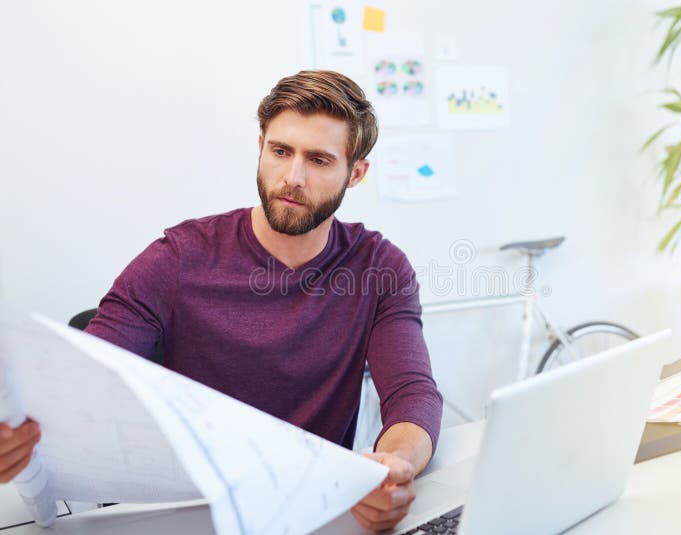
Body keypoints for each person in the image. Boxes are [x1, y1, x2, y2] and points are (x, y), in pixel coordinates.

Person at [0, 70, 443, 532]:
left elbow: (412, 393)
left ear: (356, 173)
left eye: (318, 160)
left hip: (310, 513)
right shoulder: (178, 258)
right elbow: (79, 385)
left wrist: (395, 467)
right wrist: (21, 440)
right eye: (280, 151)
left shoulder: (380, 268)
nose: (292, 177)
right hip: (191, 515)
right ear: (260, 147)